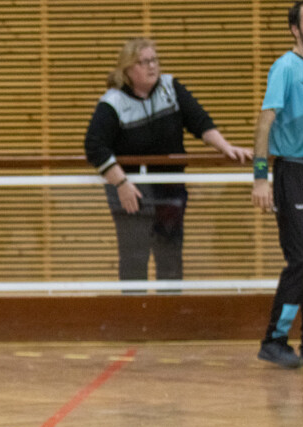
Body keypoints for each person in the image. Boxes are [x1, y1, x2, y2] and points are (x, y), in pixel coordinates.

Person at [85, 38, 253, 284]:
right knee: (134, 258)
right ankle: (135, 318)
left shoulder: (170, 88)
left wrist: (225, 147)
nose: (152, 66)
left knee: (170, 255)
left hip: (169, 188)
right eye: (144, 62)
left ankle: (169, 317)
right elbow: (94, 146)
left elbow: (200, 122)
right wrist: (121, 184)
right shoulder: (113, 102)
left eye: (155, 60)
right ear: (128, 69)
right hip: (131, 191)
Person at [252, 2, 303, 369]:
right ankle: (275, 338)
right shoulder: (285, 68)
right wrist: (260, 176)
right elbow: (264, 122)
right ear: (294, 29)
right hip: (292, 172)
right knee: (301, 258)